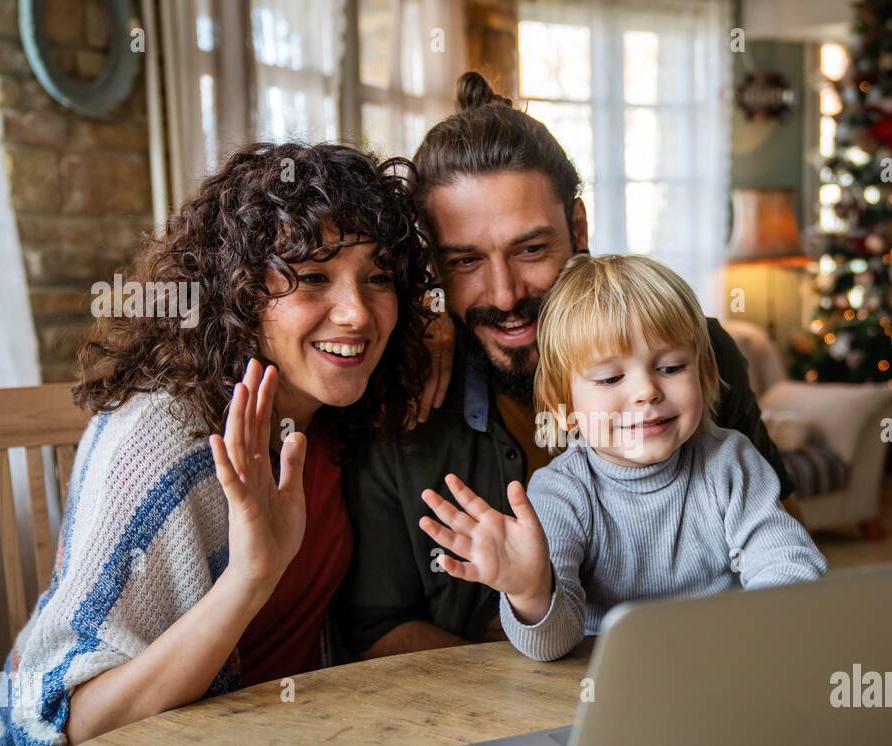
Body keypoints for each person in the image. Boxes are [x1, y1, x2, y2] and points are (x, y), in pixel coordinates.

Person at [0, 143, 432, 746]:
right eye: (313, 277)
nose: (356, 311)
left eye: (378, 278)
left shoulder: (338, 415)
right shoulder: (162, 439)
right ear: (236, 290)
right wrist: (248, 579)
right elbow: (73, 728)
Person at [342, 72, 798, 659]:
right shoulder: (400, 390)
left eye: (530, 249)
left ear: (578, 229)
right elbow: (377, 630)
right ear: (434, 264)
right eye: (466, 261)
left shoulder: (696, 356)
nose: (504, 294)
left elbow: (778, 537)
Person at [418, 254, 828, 661]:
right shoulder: (561, 492)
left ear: (702, 376)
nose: (646, 392)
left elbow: (789, 565)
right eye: (611, 378)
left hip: (727, 664)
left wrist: (760, 638)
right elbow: (555, 644)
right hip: (611, 690)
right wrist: (531, 592)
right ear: (565, 406)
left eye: (670, 367)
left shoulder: (730, 462)